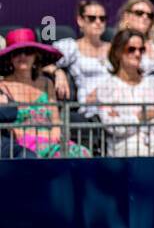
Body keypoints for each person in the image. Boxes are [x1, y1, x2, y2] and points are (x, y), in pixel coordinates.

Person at [0, 29, 89, 158]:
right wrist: (40, 137)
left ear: (36, 56)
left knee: (82, 154)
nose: (23, 57)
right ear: (10, 58)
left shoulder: (47, 83)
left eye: (28, 52)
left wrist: (55, 132)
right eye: (17, 53)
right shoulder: (2, 87)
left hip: (53, 141)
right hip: (22, 146)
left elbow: (56, 121)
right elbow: (10, 129)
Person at [90, 28, 154, 157]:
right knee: (135, 147)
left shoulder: (152, 82)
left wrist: (127, 120)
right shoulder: (107, 87)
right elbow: (114, 127)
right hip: (123, 148)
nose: (137, 54)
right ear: (118, 52)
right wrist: (140, 117)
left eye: (141, 49)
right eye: (131, 49)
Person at [50, 0, 113, 104]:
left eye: (102, 18)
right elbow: (41, 62)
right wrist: (58, 72)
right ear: (80, 20)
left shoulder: (114, 48)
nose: (98, 22)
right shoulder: (71, 47)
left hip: (118, 102)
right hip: (91, 107)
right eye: (92, 18)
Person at [115, 0, 154, 75]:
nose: (145, 17)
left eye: (150, 15)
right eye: (139, 13)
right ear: (126, 16)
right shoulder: (119, 41)